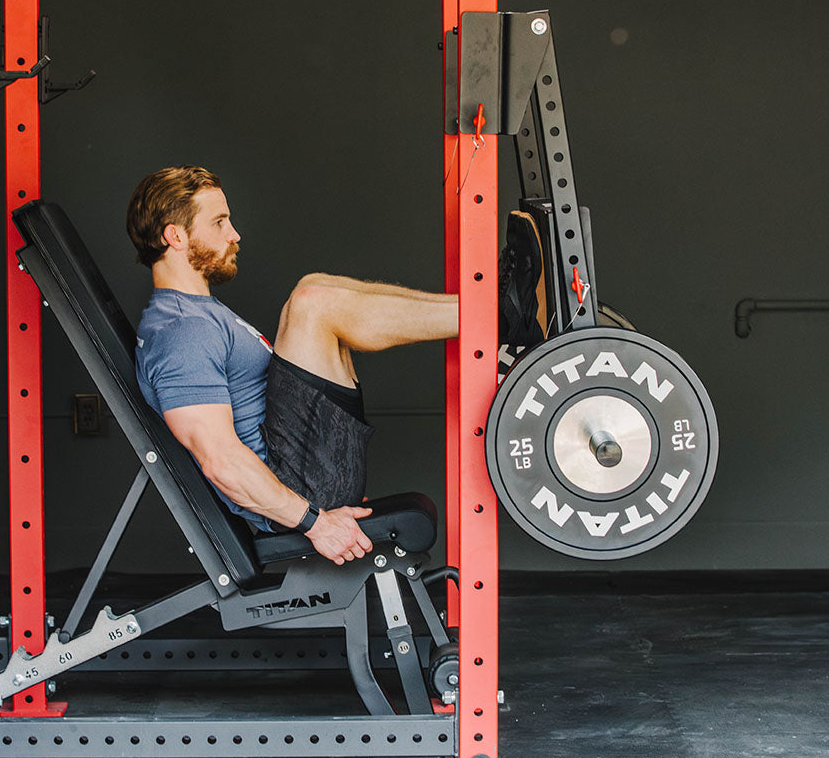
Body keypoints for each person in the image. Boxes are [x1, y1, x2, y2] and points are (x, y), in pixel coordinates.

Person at [127, 166, 544, 567]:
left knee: (315, 288)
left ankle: (493, 309)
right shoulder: (181, 334)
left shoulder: (196, 315)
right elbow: (219, 458)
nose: (235, 234)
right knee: (313, 303)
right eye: (219, 223)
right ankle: (498, 316)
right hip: (302, 489)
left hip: (303, 468)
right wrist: (314, 522)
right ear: (175, 236)